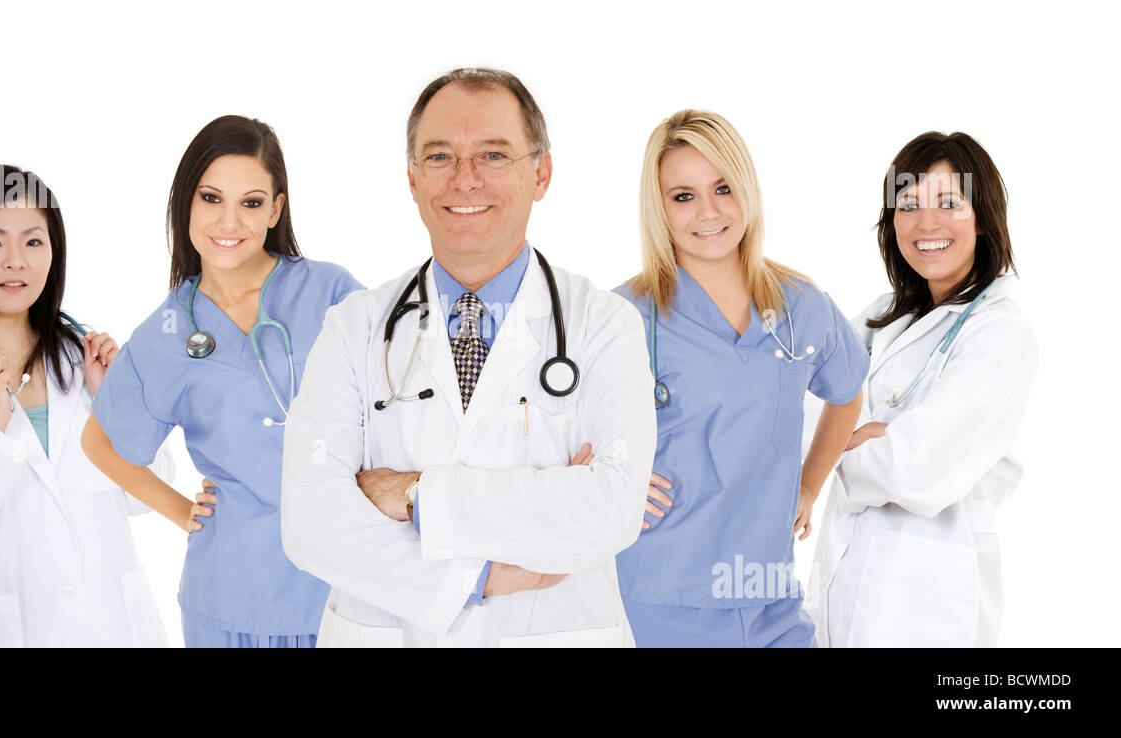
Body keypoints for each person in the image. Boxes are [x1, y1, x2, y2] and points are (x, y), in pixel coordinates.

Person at [280, 68, 656, 648]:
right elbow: (310, 519)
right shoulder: (354, 326)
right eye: (439, 157)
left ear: (541, 172)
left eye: (493, 155)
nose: (465, 180)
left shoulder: (603, 325)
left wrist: (410, 494)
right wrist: (478, 575)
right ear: (411, 176)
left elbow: (612, 509)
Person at [82, 116, 363, 648]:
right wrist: (182, 510)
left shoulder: (331, 293)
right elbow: (98, 441)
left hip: (336, 591)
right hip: (226, 597)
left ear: (276, 208)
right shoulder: (167, 331)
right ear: (186, 202)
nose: (229, 221)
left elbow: (400, 404)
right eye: (211, 198)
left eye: (251, 203)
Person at [613, 110, 868, 647]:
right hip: (662, 600)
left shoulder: (802, 305)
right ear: (659, 208)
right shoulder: (624, 317)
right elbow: (558, 432)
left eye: (723, 188)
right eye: (683, 196)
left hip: (772, 598)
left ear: (747, 189)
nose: (708, 212)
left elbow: (845, 394)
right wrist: (609, 484)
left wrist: (807, 485)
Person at [0, 165, 170, 647]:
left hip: (110, 629)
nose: (16, 261)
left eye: (34, 242)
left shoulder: (89, 363)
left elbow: (151, 496)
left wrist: (117, 403)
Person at [809, 132, 1035, 648]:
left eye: (948, 203)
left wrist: (835, 444)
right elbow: (798, 410)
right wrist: (865, 433)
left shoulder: (1000, 332)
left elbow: (914, 467)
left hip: (928, 606)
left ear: (983, 216)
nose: (926, 223)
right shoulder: (879, 317)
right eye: (908, 205)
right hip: (843, 589)